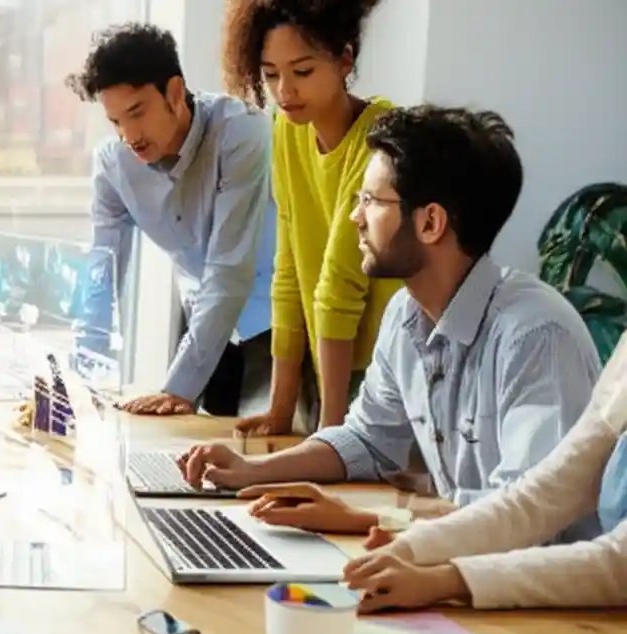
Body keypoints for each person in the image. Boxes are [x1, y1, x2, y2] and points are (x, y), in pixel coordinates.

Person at [178, 105, 602, 539]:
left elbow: (527, 512)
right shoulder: (405, 314)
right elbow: (366, 440)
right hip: (465, 565)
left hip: (550, 592)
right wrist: (253, 470)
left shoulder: (536, 337)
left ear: (430, 222)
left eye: (371, 201)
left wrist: (365, 519)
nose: (354, 217)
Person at [66, 22, 276, 417]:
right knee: (192, 460)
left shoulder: (240, 132)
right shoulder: (115, 165)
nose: (130, 135)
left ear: (175, 93)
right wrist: (80, 377)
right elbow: (102, 270)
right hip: (203, 324)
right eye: (115, 122)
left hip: (274, 329)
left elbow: (229, 268)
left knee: (268, 461)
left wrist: (178, 386)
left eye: (137, 113)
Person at [221, 0, 403, 433]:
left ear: (344, 60)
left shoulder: (382, 136)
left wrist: (331, 434)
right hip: (321, 360)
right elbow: (289, 267)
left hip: (381, 368)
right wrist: (281, 407)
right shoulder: (286, 128)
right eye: (270, 74)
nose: (284, 90)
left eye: (302, 72)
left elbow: (339, 285)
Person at [344, 334, 627, 612]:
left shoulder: (539, 331)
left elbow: (619, 565)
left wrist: (445, 580)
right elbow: (542, 496)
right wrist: (409, 548)